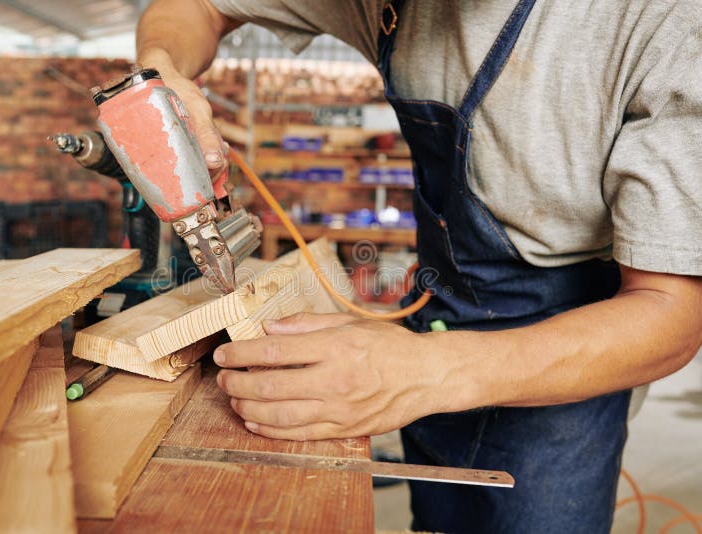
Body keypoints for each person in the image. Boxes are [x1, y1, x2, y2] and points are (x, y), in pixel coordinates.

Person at [135, 1, 702, 532]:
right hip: (439, 314)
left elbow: (672, 315)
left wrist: (424, 372)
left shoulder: (663, 23)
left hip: (567, 358)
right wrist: (160, 75)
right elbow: (198, 7)